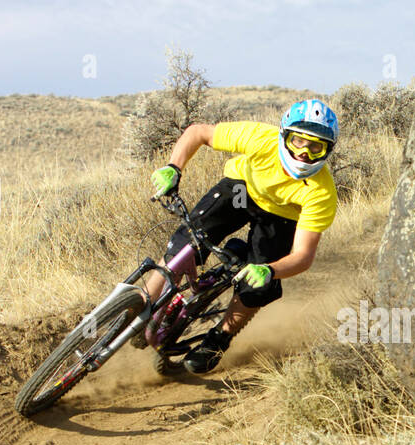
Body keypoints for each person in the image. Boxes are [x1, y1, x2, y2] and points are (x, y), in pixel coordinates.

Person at [145, 99, 339, 374]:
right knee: (186, 245)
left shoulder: (321, 192)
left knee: (258, 285)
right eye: (298, 142)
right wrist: (173, 168)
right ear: (285, 135)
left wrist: (269, 270)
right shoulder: (261, 138)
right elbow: (198, 133)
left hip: (283, 215)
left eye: (315, 146)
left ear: (326, 151)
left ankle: (220, 337)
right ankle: (144, 305)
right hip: (241, 191)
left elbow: (303, 256)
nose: (304, 153)